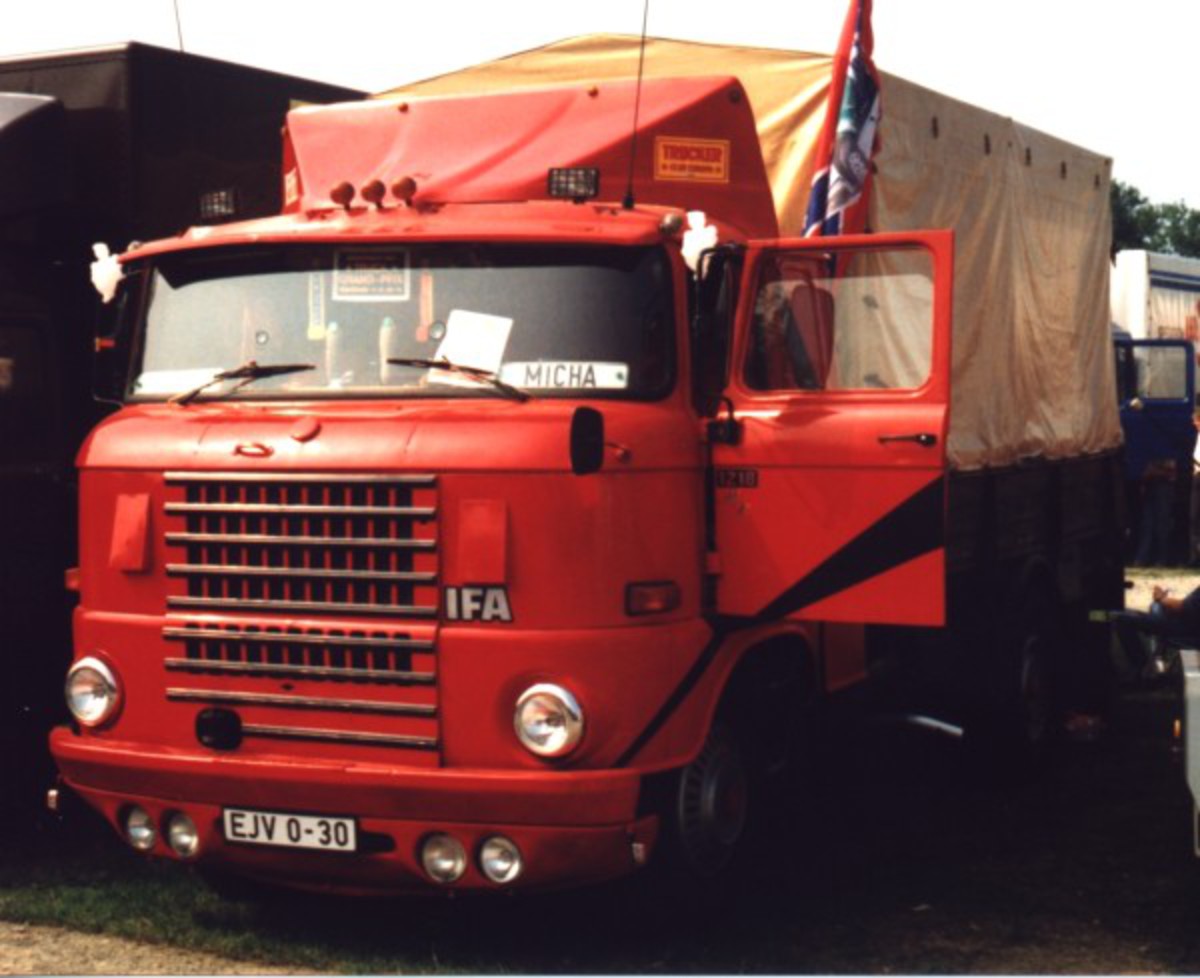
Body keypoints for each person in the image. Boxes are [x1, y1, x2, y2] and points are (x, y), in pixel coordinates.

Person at [1113, 583, 1200, 678]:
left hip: (1185, 629)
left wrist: (1161, 598)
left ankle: (1143, 669)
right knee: (1154, 607)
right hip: (1187, 625)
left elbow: (1181, 607)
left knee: (1123, 619)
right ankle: (1153, 663)